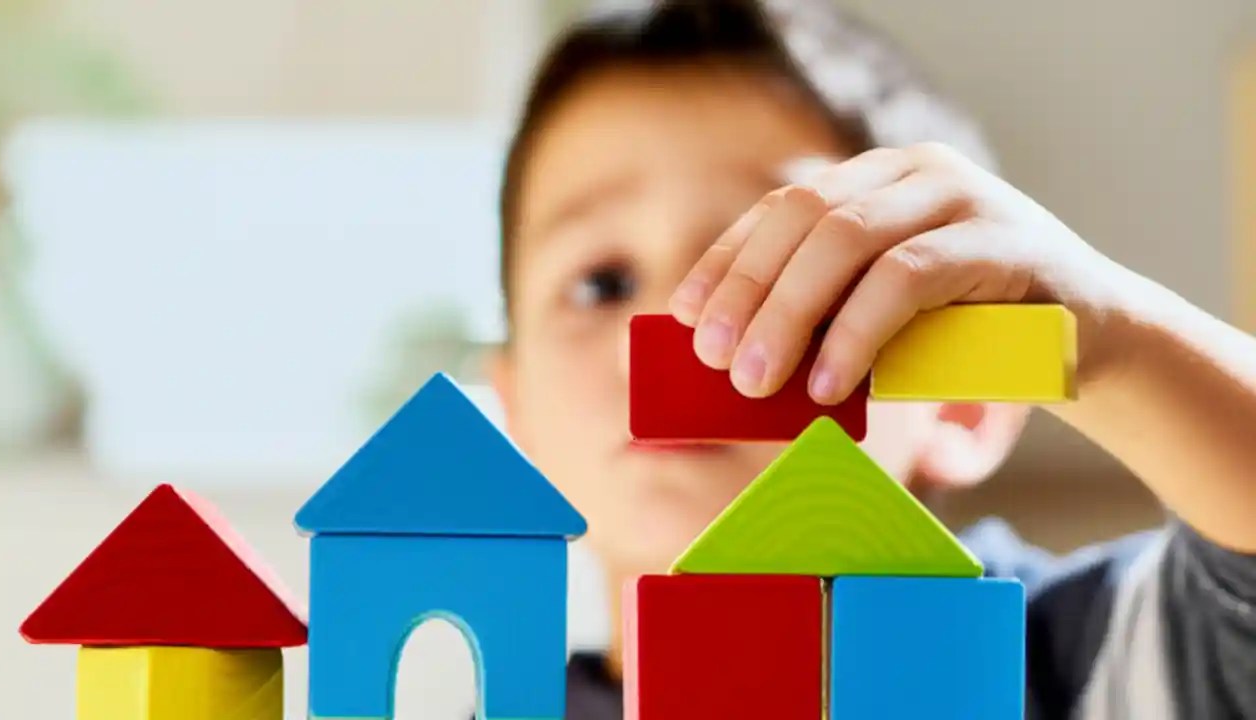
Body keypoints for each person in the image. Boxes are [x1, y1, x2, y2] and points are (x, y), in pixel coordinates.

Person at [484, 1, 1256, 718]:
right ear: (516, 427)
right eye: (600, 284)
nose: (668, 333)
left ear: (966, 399)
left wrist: (1111, 341)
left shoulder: (1090, 664)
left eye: (781, 266)